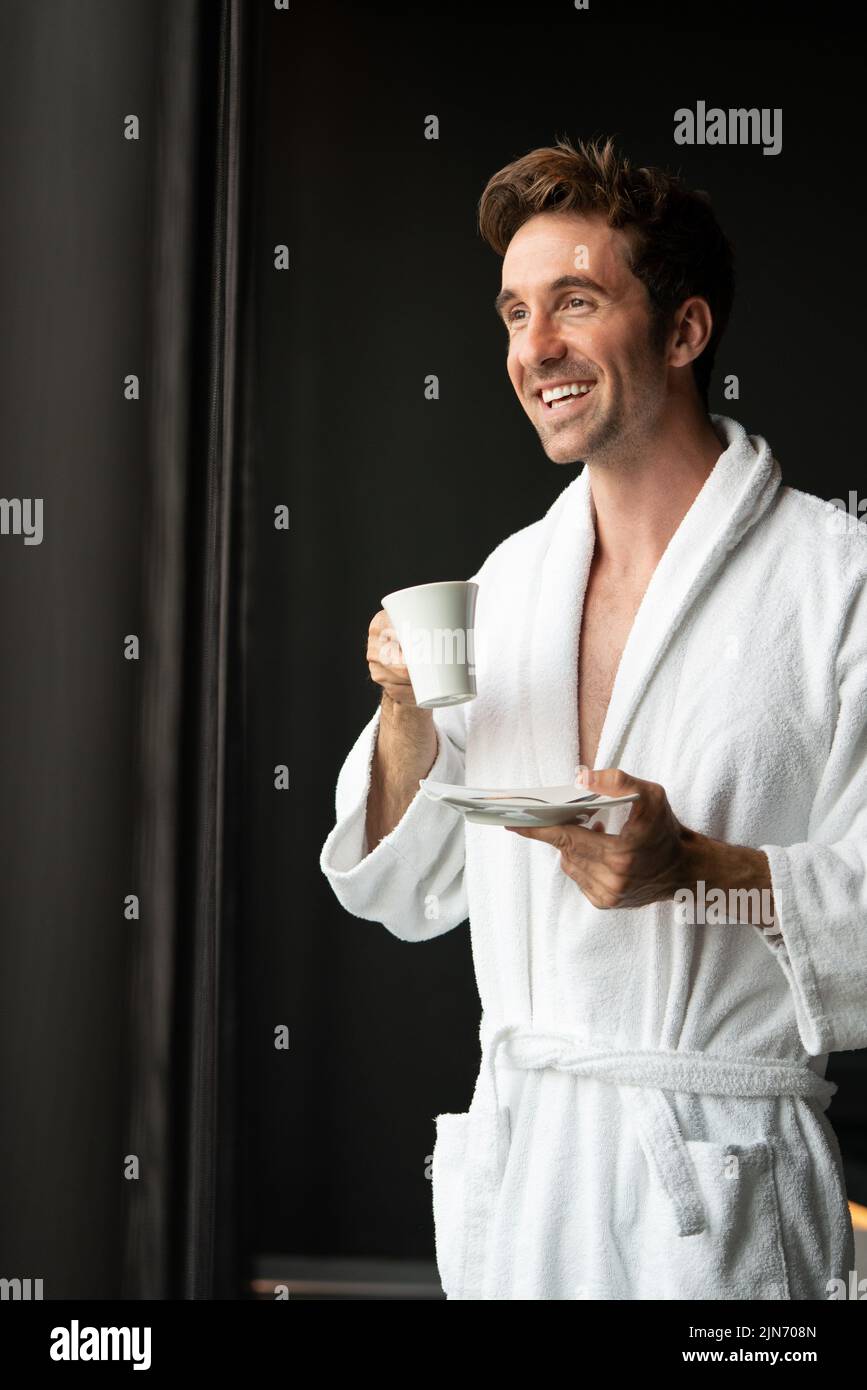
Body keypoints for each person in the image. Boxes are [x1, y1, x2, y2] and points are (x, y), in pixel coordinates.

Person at [320, 136, 866, 1300]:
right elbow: (405, 891)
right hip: (525, 1179)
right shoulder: (509, 582)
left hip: (721, 1191)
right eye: (515, 313)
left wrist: (699, 867)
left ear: (683, 332)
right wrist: (406, 713)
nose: (535, 350)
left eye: (575, 301)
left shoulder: (839, 581)